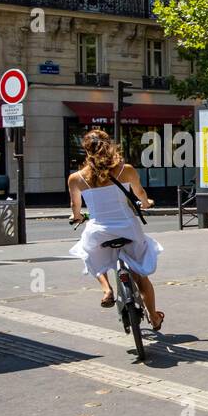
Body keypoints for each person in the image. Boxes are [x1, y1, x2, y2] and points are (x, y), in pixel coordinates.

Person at [67, 129, 165, 331]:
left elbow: (74, 207)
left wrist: (77, 217)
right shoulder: (125, 170)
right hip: (128, 228)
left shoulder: (76, 178)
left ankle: (106, 290)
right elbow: (140, 193)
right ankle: (154, 317)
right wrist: (146, 203)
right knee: (140, 276)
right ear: (109, 146)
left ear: (85, 150)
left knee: (87, 251)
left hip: (99, 231)